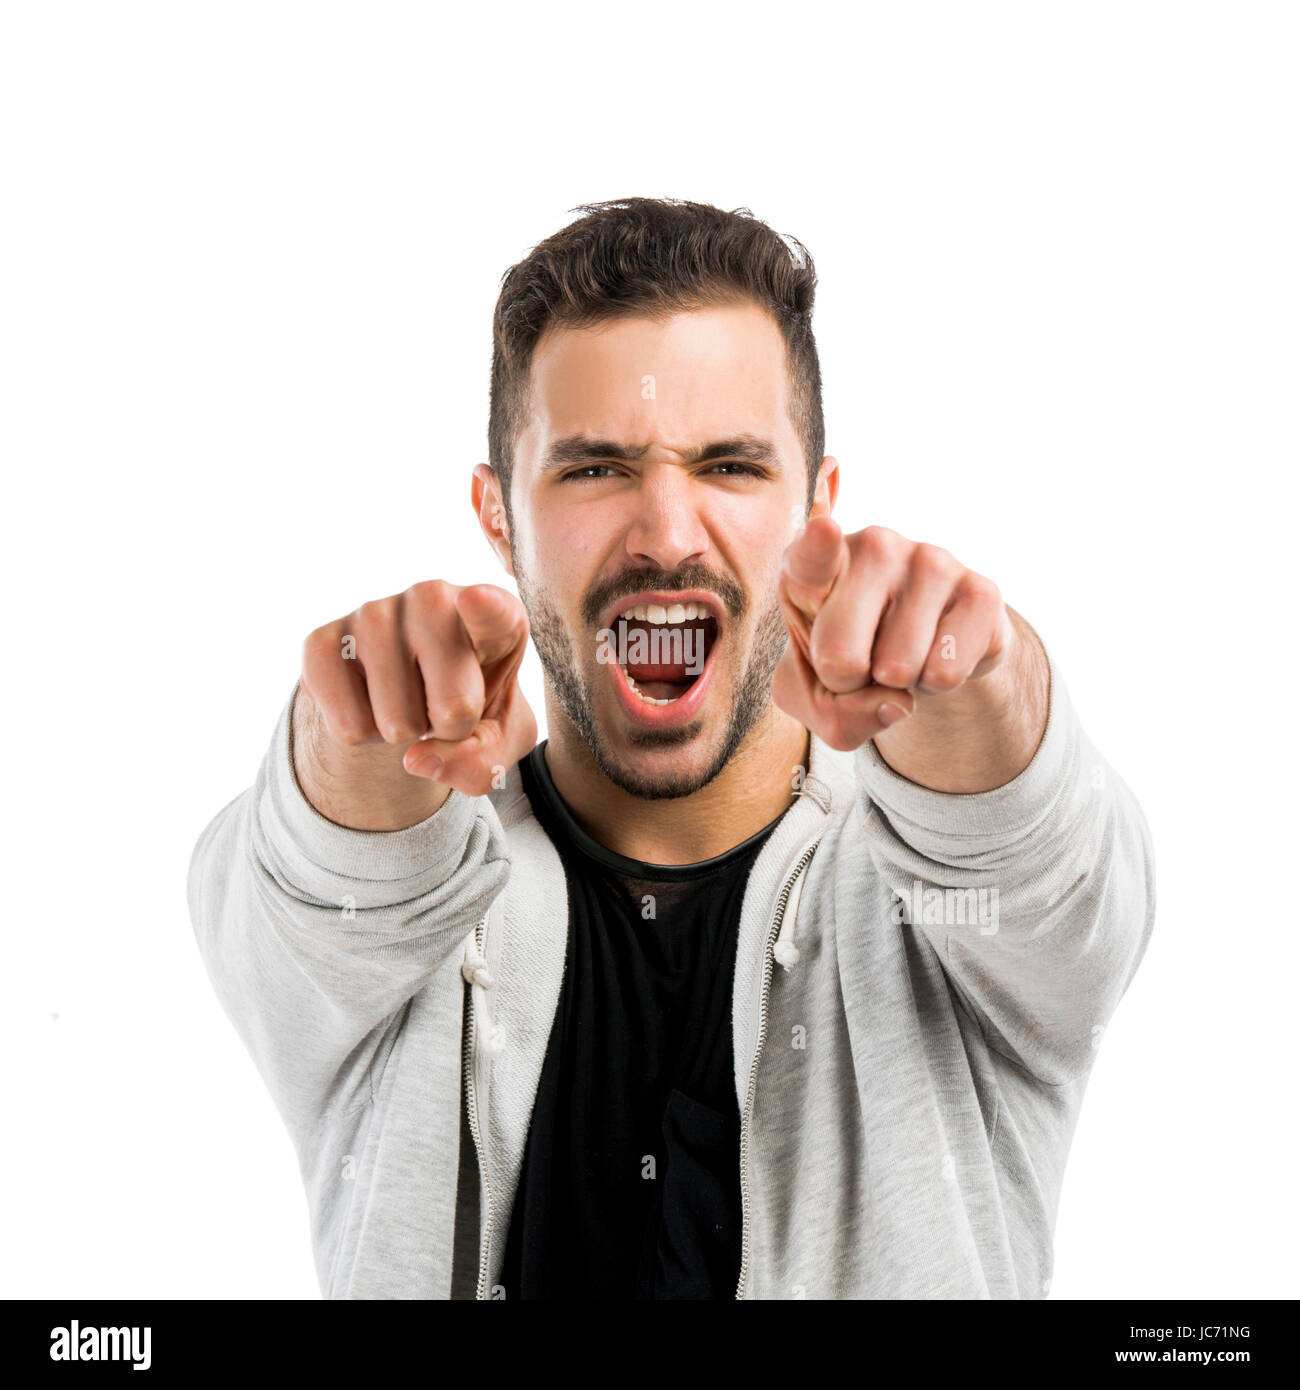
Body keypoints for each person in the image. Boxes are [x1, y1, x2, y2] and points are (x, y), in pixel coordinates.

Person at [188, 196, 1156, 1300]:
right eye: (595, 469)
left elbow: (1039, 861)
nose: (663, 531)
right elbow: (315, 879)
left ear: (815, 508)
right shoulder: (401, 932)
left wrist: (978, 675)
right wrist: (361, 716)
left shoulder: (942, 922)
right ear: (497, 516)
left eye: (732, 467)